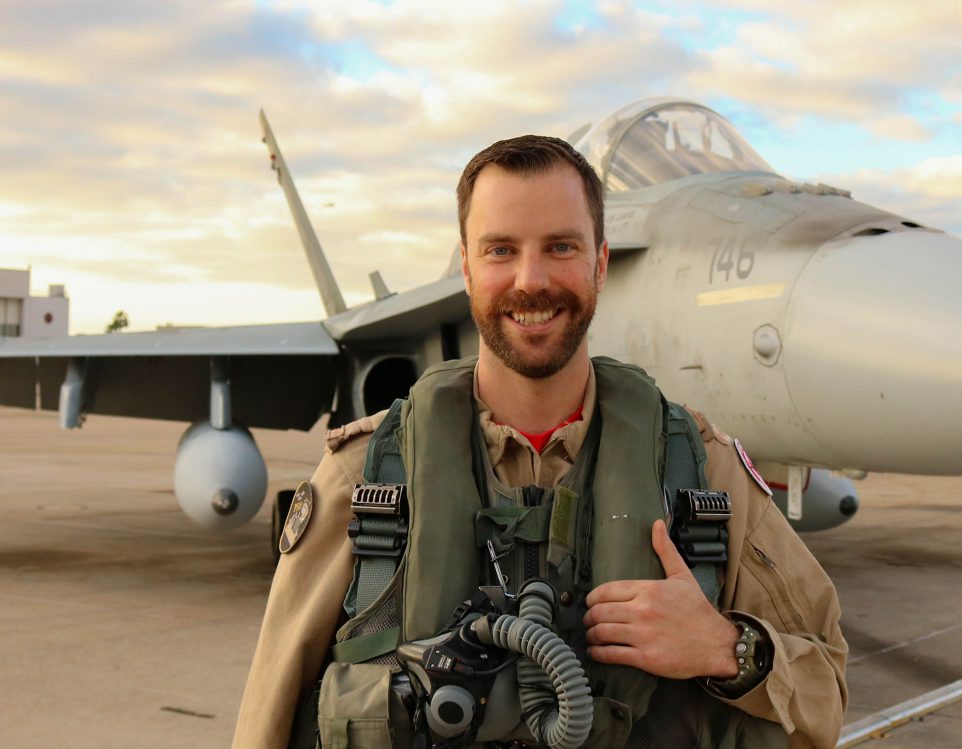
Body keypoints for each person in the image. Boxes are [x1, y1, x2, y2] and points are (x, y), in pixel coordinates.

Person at [233, 135, 847, 748]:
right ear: (467, 269)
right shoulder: (367, 476)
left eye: (561, 247)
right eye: (501, 250)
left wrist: (724, 648)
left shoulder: (701, 470)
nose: (531, 280)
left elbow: (826, 684)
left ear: (599, 264)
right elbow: (269, 712)